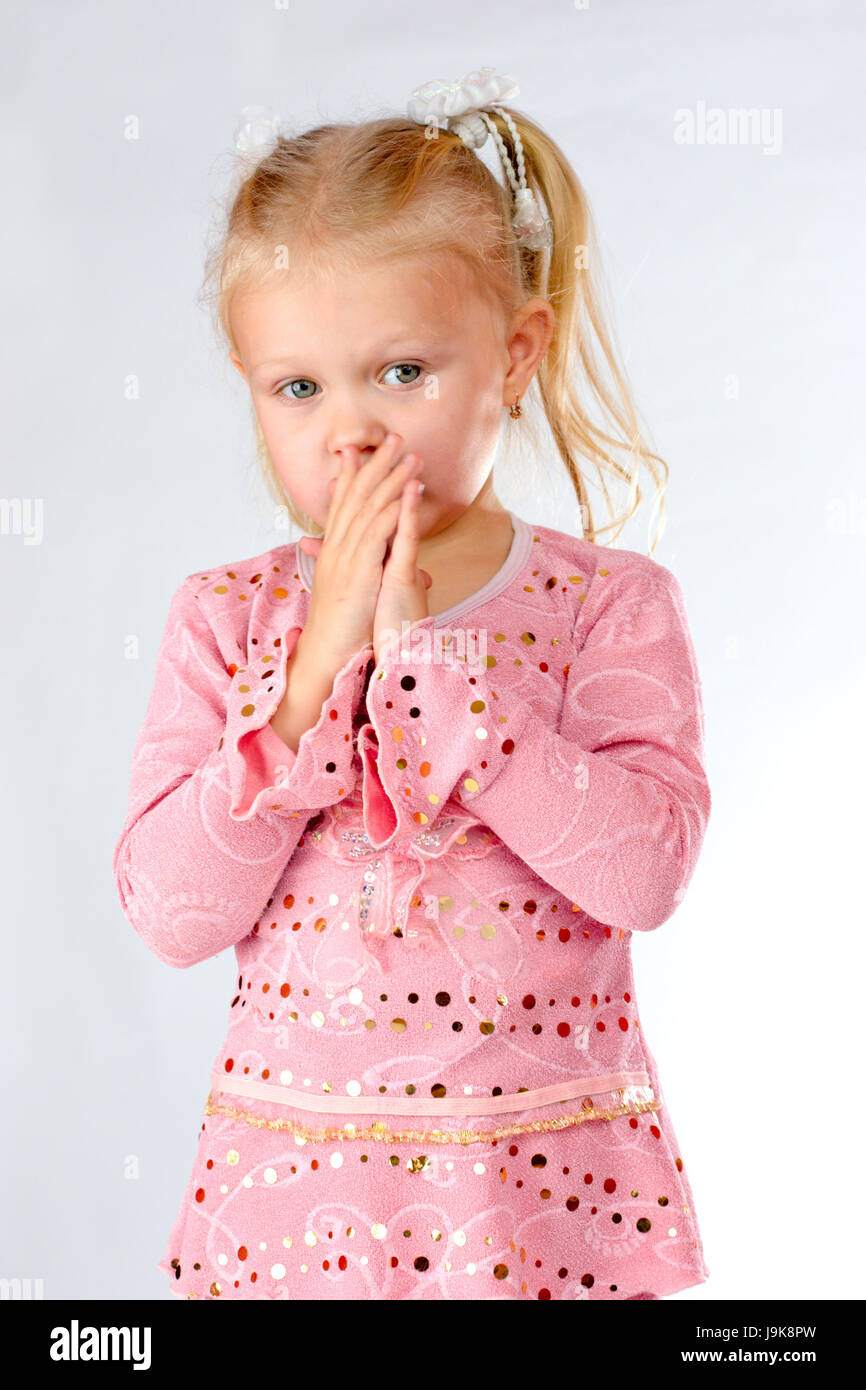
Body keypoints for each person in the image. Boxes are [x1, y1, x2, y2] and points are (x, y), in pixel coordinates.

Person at [113, 68, 711, 1301]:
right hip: (292, 1210)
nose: (351, 431)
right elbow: (172, 916)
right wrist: (308, 680)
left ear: (514, 353)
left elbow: (642, 874)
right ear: (248, 383)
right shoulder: (225, 619)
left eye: (401, 372)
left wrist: (451, 695)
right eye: (299, 387)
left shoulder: (606, 604)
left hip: (533, 1204)